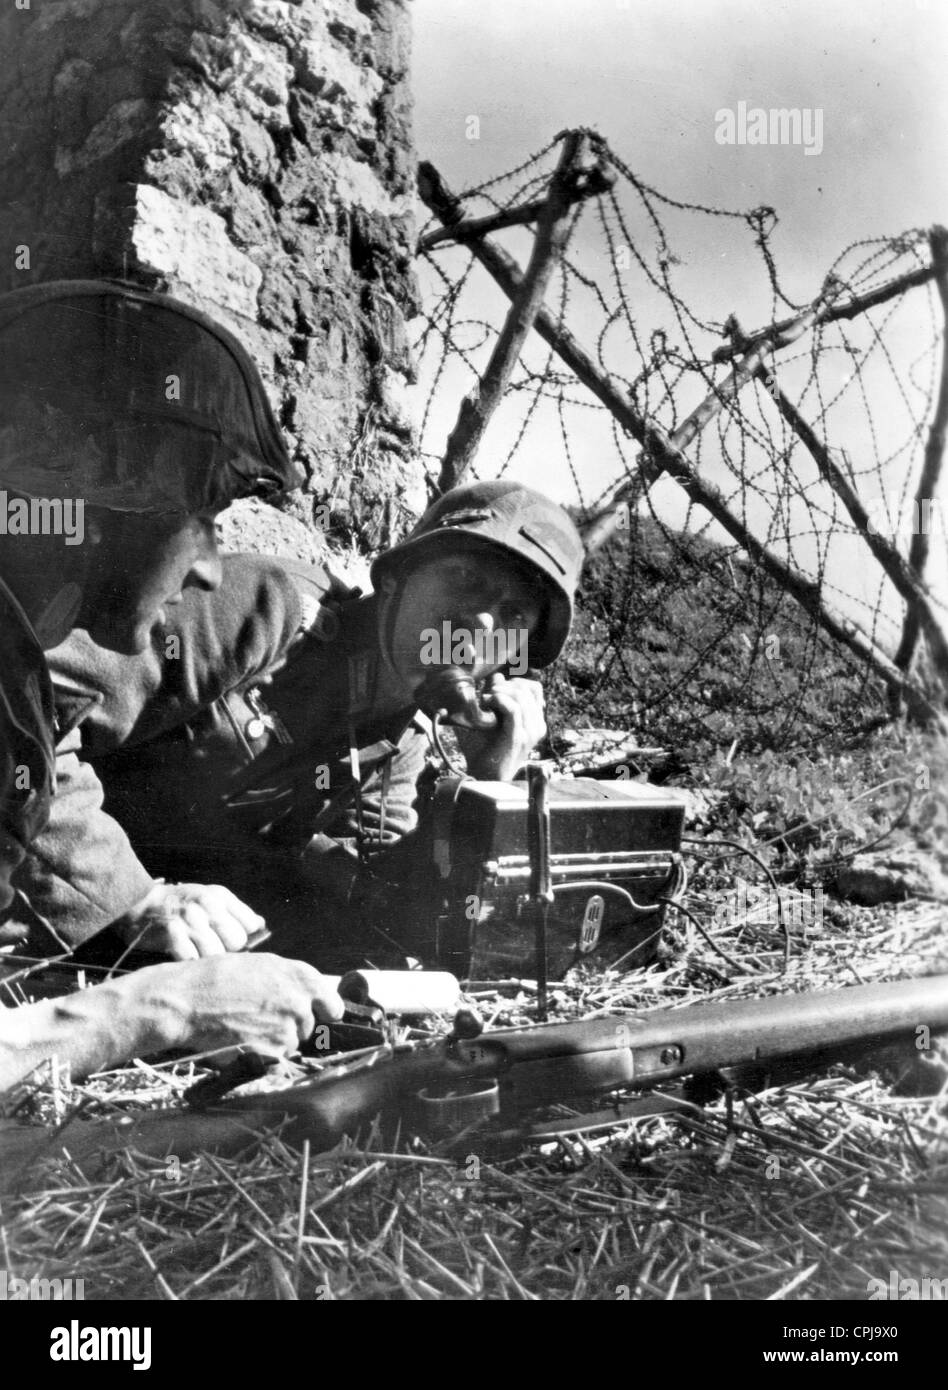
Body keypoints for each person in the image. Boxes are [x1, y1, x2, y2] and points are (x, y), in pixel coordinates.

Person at [0, 280, 343, 1093]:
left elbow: (45, 760)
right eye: (202, 517)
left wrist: (130, 905)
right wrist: (155, 1012)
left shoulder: (19, 650)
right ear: (92, 501)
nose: (208, 567)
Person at [35, 480, 586, 965]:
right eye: (464, 578)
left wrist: (492, 787)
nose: (483, 620)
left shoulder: (403, 740)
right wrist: (133, 899)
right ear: (397, 578)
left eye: (514, 615)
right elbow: (26, 714)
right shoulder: (269, 610)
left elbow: (382, 910)